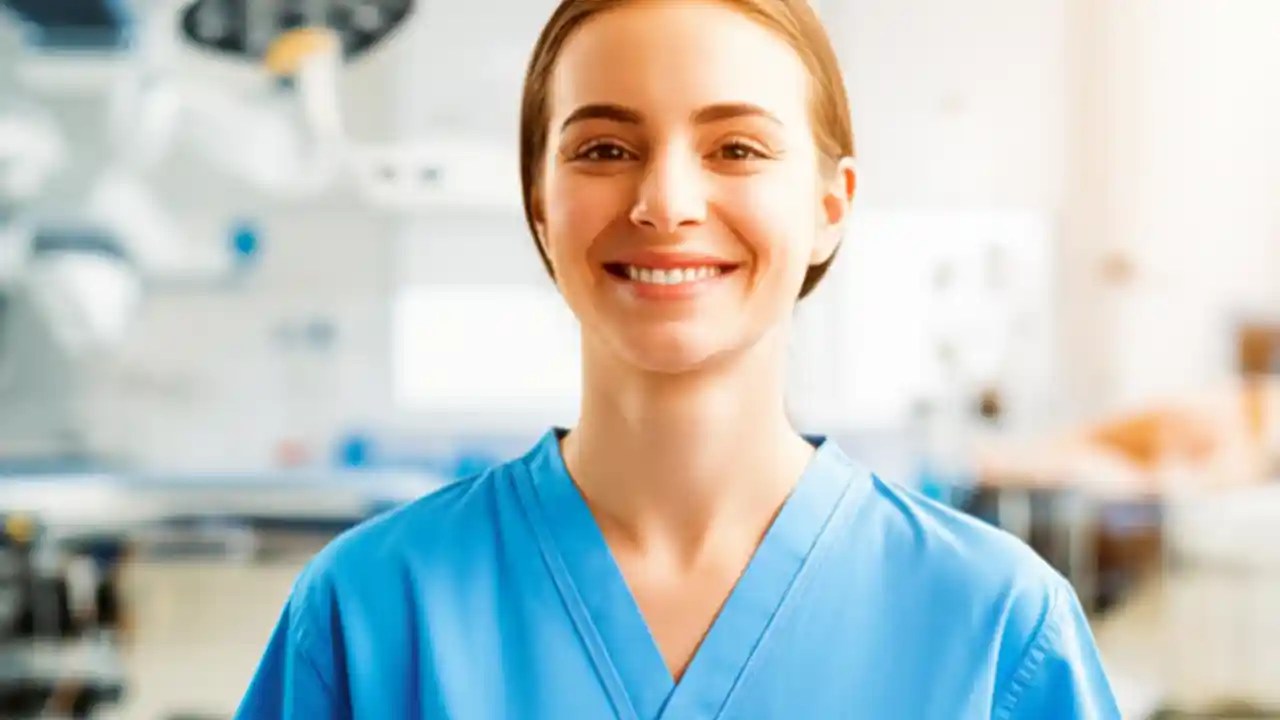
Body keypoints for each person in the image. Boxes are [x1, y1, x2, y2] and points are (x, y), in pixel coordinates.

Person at [235, 0, 1121, 717]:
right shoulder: (373, 615)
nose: (665, 201)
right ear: (541, 206)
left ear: (829, 205)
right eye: (605, 150)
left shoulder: (993, 626)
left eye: (736, 148)